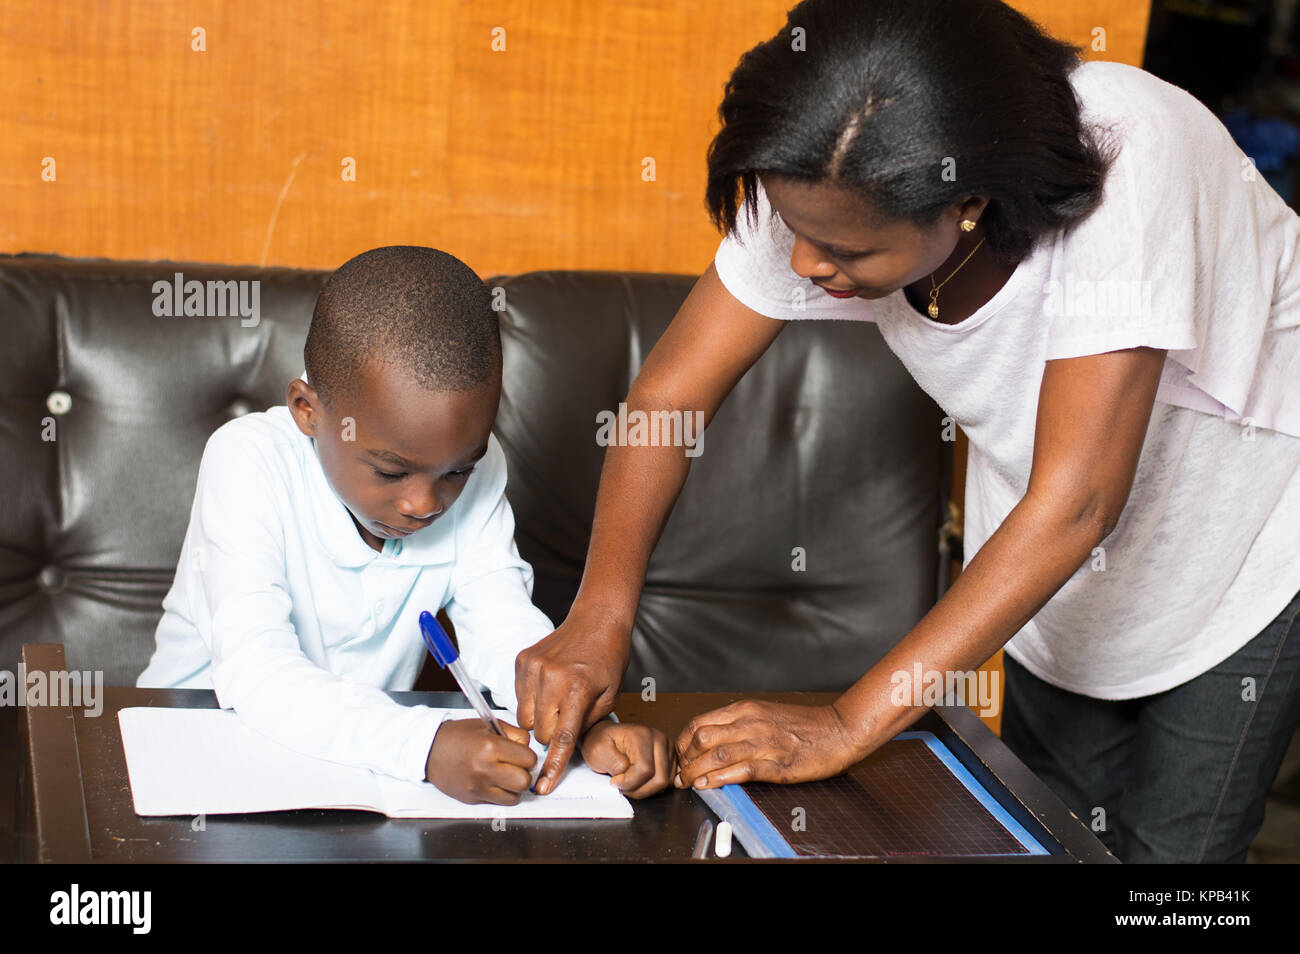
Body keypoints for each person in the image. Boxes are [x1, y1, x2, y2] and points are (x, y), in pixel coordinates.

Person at [515, 0, 1300, 862]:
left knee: (1170, 869)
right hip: (1053, 547)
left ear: (967, 201)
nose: (807, 266)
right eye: (797, 233)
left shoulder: (1133, 157)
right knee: (1052, 832)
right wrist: (599, 613)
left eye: (846, 255)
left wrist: (850, 723)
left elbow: (1078, 503)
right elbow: (668, 397)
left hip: (1250, 538)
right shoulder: (821, 171)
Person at [139, 245, 673, 805]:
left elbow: (503, 625)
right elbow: (257, 673)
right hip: (190, 759)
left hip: (350, 773)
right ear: (307, 410)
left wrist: (584, 728)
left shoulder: (482, 468)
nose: (425, 503)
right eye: (390, 470)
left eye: (458, 470)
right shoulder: (247, 460)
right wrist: (424, 745)